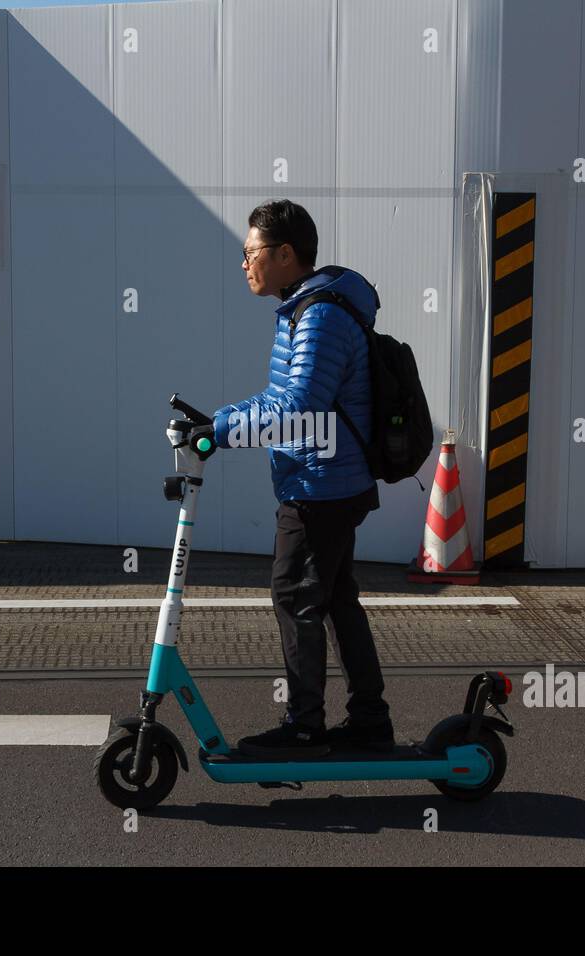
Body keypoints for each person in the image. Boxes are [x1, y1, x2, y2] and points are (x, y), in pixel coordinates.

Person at [210, 199, 394, 757]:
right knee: (336, 598)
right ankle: (368, 719)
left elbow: (300, 405)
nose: (244, 263)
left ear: (285, 253)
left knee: (296, 596)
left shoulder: (320, 315)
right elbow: (279, 398)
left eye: (251, 252)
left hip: (322, 486)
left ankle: (304, 727)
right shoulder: (303, 309)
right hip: (329, 480)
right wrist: (216, 422)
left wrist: (218, 436)